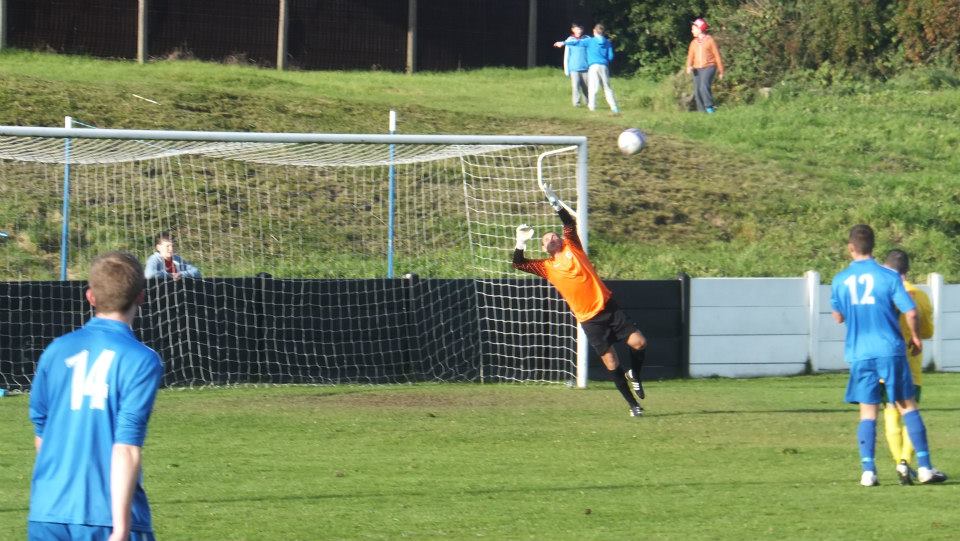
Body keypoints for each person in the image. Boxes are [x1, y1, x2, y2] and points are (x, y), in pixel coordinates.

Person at [28, 251, 164, 540]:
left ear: (91, 297)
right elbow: (125, 447)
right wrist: (121, 528)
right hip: (103, 515)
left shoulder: (55, 350)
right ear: (141, 297)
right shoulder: (141, 360)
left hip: (48, 511)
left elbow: (42, 429)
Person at [512, 184, 645, 416]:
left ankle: (635, 373)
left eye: (553, 234)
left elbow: (568, 224)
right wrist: (520, 242)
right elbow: (519, 263)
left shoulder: (573, 248)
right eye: (546, 238)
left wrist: (554, 202)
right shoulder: (546, 267)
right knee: (611, 363)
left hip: (608, 307)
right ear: (544, 247)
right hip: (589, 320)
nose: (552, 236)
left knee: (639, 343)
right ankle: (633, 405)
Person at [830, 225, 946, 486]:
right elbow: (912, 312)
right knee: (907, 407)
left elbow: (838, 317)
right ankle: (925, 467)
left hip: (860, 352)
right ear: (873, 246)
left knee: (868, 412)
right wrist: (915, 337)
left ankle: (868, 472)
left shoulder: (839, 280)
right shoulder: (888, 277)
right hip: (890, 350)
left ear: (850, 248)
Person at [880, 249, 935, 485]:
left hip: (884, 361)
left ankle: (898, 464)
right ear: (907, 270)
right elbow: (928, 332)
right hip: (911, 366)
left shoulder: (882, 293)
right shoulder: (919, 296)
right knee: (911, 412)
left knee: (891, 413)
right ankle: (905, 461)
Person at [554, 24, 619, 113]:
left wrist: (563, 43)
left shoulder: (590, 41)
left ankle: (592, 107)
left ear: (594, 31)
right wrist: (604, 60)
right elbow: (611, 56)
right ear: (603, 33)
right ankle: (614, 107)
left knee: (592, 87)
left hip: (593, 67)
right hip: (604, 66)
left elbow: (576, 42)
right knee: (607, 87)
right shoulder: (607, 42)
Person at [685, 18, 724, 113]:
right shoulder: (693, 43)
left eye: (694, 28)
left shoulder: (710, 40)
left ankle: (710, 107)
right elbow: (690, 56)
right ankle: (702, 112)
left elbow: (717, 55)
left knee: (703, 86)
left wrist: (721, 70)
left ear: (700, 29)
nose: (692, 30)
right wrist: (689, 66)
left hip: (709, 67)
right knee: (697, 90)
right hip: (697, 69)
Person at [559, 23, 590, 108]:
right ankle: (576, 104)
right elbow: (567, 55)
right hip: (574, 68)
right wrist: (566, 69)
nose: (579, 31)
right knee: (575, 87)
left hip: (585, 68)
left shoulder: (587, 39)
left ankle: (589, 103)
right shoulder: (569, 39)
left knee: (586, 87)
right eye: (577, 29)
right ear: (573, 29)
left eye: (580, 29)